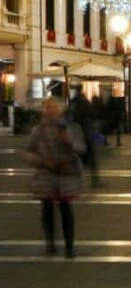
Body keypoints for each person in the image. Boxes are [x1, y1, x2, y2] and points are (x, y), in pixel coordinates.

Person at [24, 98, 86, 258]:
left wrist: (69, 141)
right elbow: (27, 152)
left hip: (66, 176)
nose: (50, 110)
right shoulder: (38, 130)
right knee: (47, 211)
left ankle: (69, 246)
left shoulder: (71, 128)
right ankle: (50, 243)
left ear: (60, 109)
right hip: (45, 175)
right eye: (47, 107)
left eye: (53, 107)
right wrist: (43, 161)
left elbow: (82, 149)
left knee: (67, 212)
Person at [68, 85, 100, 188]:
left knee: (79, 157)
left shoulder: (75, 102)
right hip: (84, 132)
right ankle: (93, 179)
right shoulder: (84, 102)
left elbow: (70, 116)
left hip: (79, 133)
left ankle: (80, 179)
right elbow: (93, 115)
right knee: (89, 157)